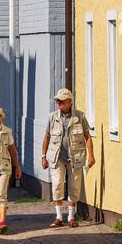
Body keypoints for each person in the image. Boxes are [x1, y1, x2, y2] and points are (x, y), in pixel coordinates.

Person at [41, 88, 94, 229]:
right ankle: (58, 216)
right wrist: (43, 156)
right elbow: (46, 137)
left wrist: (91, 156)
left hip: (75, 156)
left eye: (62, 101)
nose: (59, 103)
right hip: (57, 156)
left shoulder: (79, 117)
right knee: (57, 184)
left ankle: (71, 217)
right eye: (57, 100)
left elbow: (88, 137)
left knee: (74, 186)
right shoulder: (52, 117)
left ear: (69, 102)